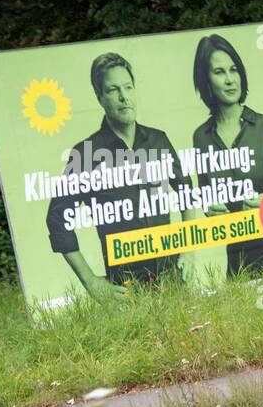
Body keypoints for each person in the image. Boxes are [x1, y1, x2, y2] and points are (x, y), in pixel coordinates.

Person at [46, 52, 193, 299]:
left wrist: (189, 251)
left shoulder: (158, 140)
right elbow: (57, 218)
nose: (124, 97)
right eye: (114, 90)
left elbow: (186, 192)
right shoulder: (86, 153)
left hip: (173, 282)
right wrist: (91, 281)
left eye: (128, 87)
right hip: (125, 290)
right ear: (99, 96)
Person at [190, 33, 263, 275]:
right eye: (219, 72)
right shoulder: (201, 137)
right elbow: (207, 195)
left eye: (234, 70)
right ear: (205, 80)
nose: (230, 80)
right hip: (239, 256)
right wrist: (211, 208)